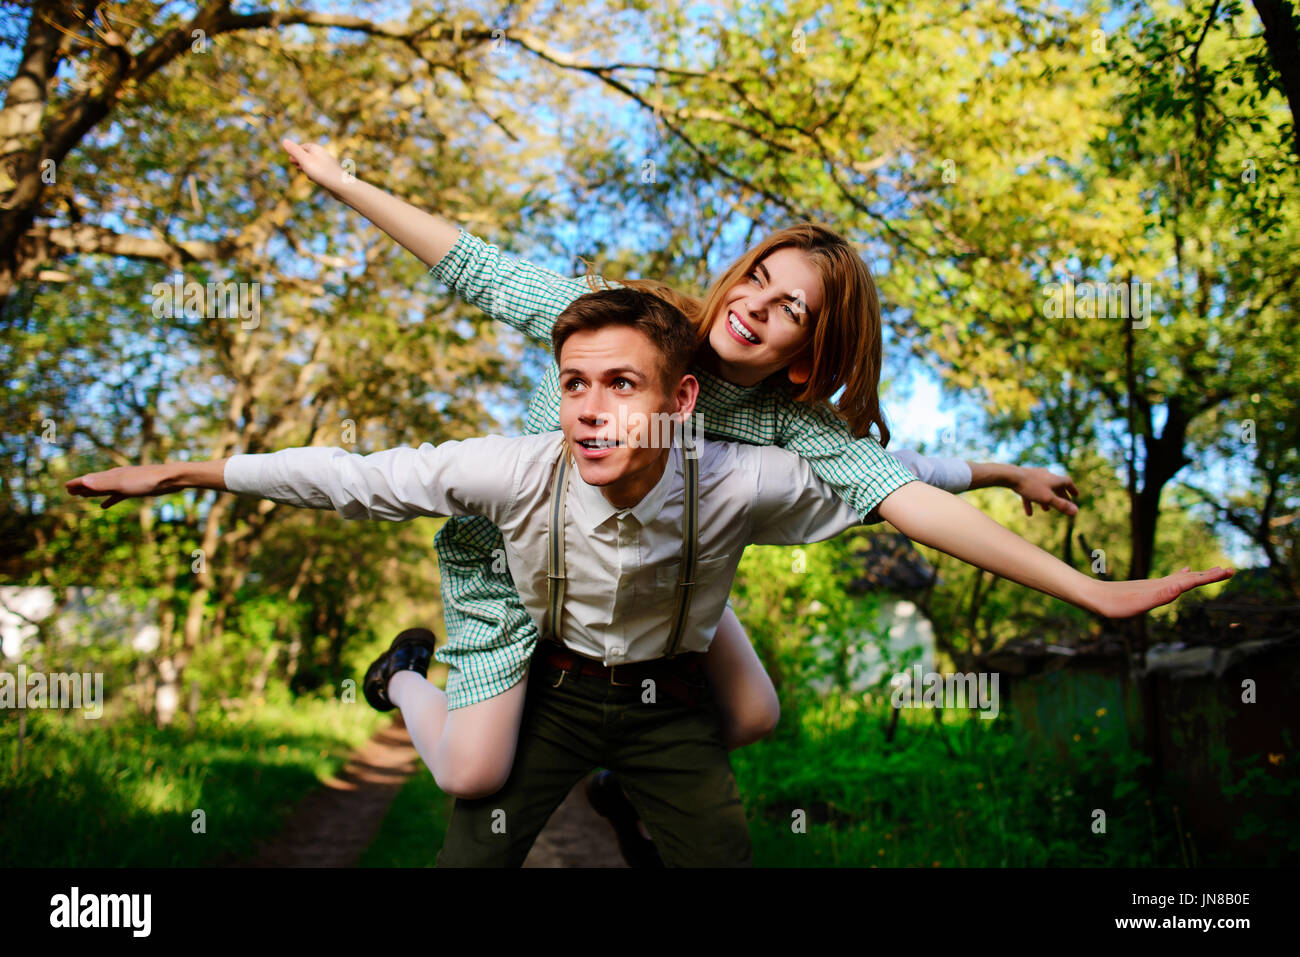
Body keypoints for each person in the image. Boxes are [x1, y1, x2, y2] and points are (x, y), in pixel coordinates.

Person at [67, 287, 1233, 867]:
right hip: (557, 673)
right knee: (472, 802)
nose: (587, 407)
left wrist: (1068, 562)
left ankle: (638, 801)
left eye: (619, 385)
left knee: (747, 744)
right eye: (574, 382)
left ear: (679, 403)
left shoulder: (749, 472)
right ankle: (406, 678)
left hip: (669, 678)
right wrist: (185, 472)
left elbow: (902, 485)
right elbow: (350, 474)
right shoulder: (510, 468)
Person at [280, 138, 1085, 857]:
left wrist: (1021, 491)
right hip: (524, 563)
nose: (755, 305)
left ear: (807, 355)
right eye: (758, 279)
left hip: (663, 569)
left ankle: (624, 786)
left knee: (754, 714)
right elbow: (479, 266)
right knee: (472, 768)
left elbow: (900, 482)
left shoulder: (786, 422)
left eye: (789, 309)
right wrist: (341, 181)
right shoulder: (639, 324)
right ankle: (402, 676)